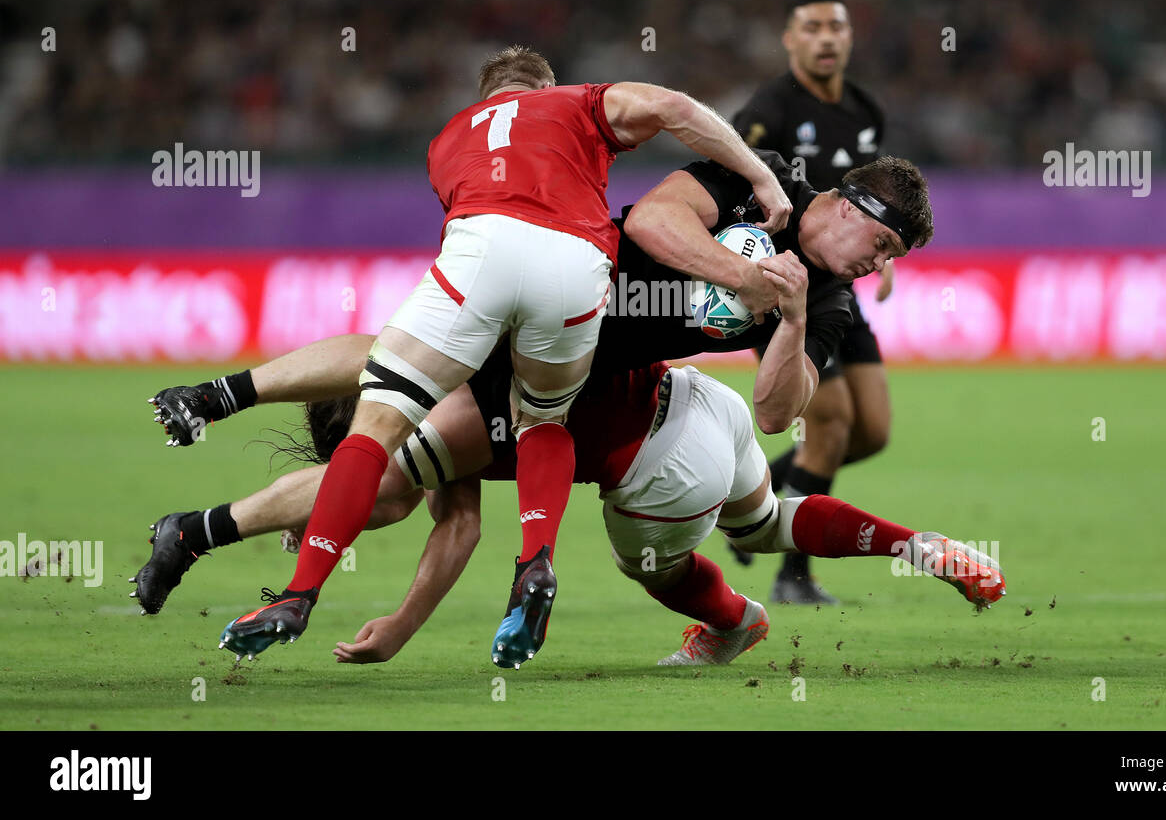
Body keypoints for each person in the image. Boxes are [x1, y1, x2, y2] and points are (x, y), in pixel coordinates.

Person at [150, 148, 933, 664]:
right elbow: (655, 219)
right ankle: (218, 443)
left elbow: (775, 412)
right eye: (885, 245)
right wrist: (741, 275)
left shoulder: (824, 298)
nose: (880, 266)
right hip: (564, 282)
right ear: (852, 205)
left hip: (579, 366)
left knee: (405, 450)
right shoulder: (758, 185)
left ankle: (197, 523)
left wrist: (790, 317)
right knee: (402, 436)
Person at [192, 45, 793, 663]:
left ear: (485, 101)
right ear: (544, 88)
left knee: (377, 426)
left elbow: (474, 278)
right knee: (543, 421)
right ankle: (535, 564)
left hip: (480, 254)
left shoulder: (449, 141)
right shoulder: (576, 103)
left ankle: (296, 588)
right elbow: (669, 106)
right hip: (577, 269)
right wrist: (759, 174)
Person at [135, 345, 1007, 667]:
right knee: (768, 519)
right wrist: (400, 623)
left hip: (656, 471)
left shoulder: (431, 429)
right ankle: (917, 545)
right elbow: (459, 519)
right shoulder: (454, 354)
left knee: (652, 565)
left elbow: (395, 492)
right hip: (707, 402)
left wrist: (214, 524)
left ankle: (733, 620)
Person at [731, 0, 894, 604]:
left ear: (849, 38)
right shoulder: (767, 109)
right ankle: (792, 574)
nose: (827, 37)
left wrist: (883, 256)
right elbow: (736, 179)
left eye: (837, 26)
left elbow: (880, 195)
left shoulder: (867, 110)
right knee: (827, 427)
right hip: (792, 289)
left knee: (872, 431)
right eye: (813, 27)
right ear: (790, 39)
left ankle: (756, 508)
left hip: (844, 283)